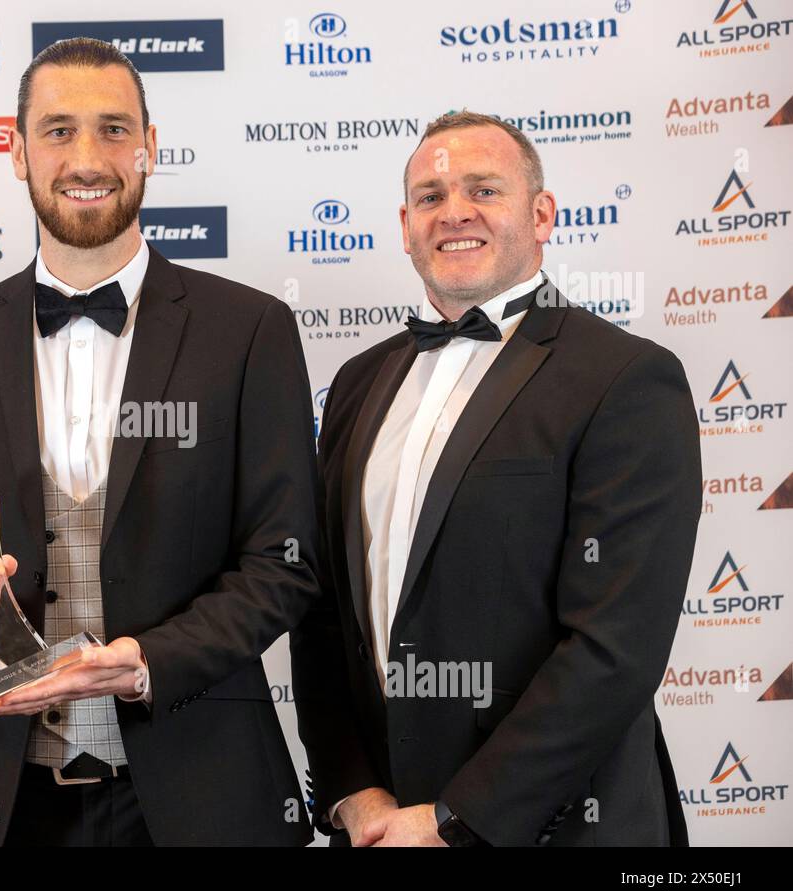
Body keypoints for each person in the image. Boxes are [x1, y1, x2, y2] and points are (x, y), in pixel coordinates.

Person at [0, 38, 319, 846]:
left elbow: (285, 563)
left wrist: (146, 663)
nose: (87, 158)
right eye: (58, 131)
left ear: (151, 148)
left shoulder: (248, 330)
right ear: (18, 151)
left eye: (112, 129)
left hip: (202, 793)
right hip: (3, 803)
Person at [293, 111, 701, 847]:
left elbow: (616, 646)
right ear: (405, 224)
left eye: (484, 189)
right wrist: (351, 788)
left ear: (543, 214)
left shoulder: (626, 378)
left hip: (558, 825)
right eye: (430, 196)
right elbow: (323, 614)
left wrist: (457, 820)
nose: (454, 212)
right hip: (384, 826)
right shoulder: (357, 382)